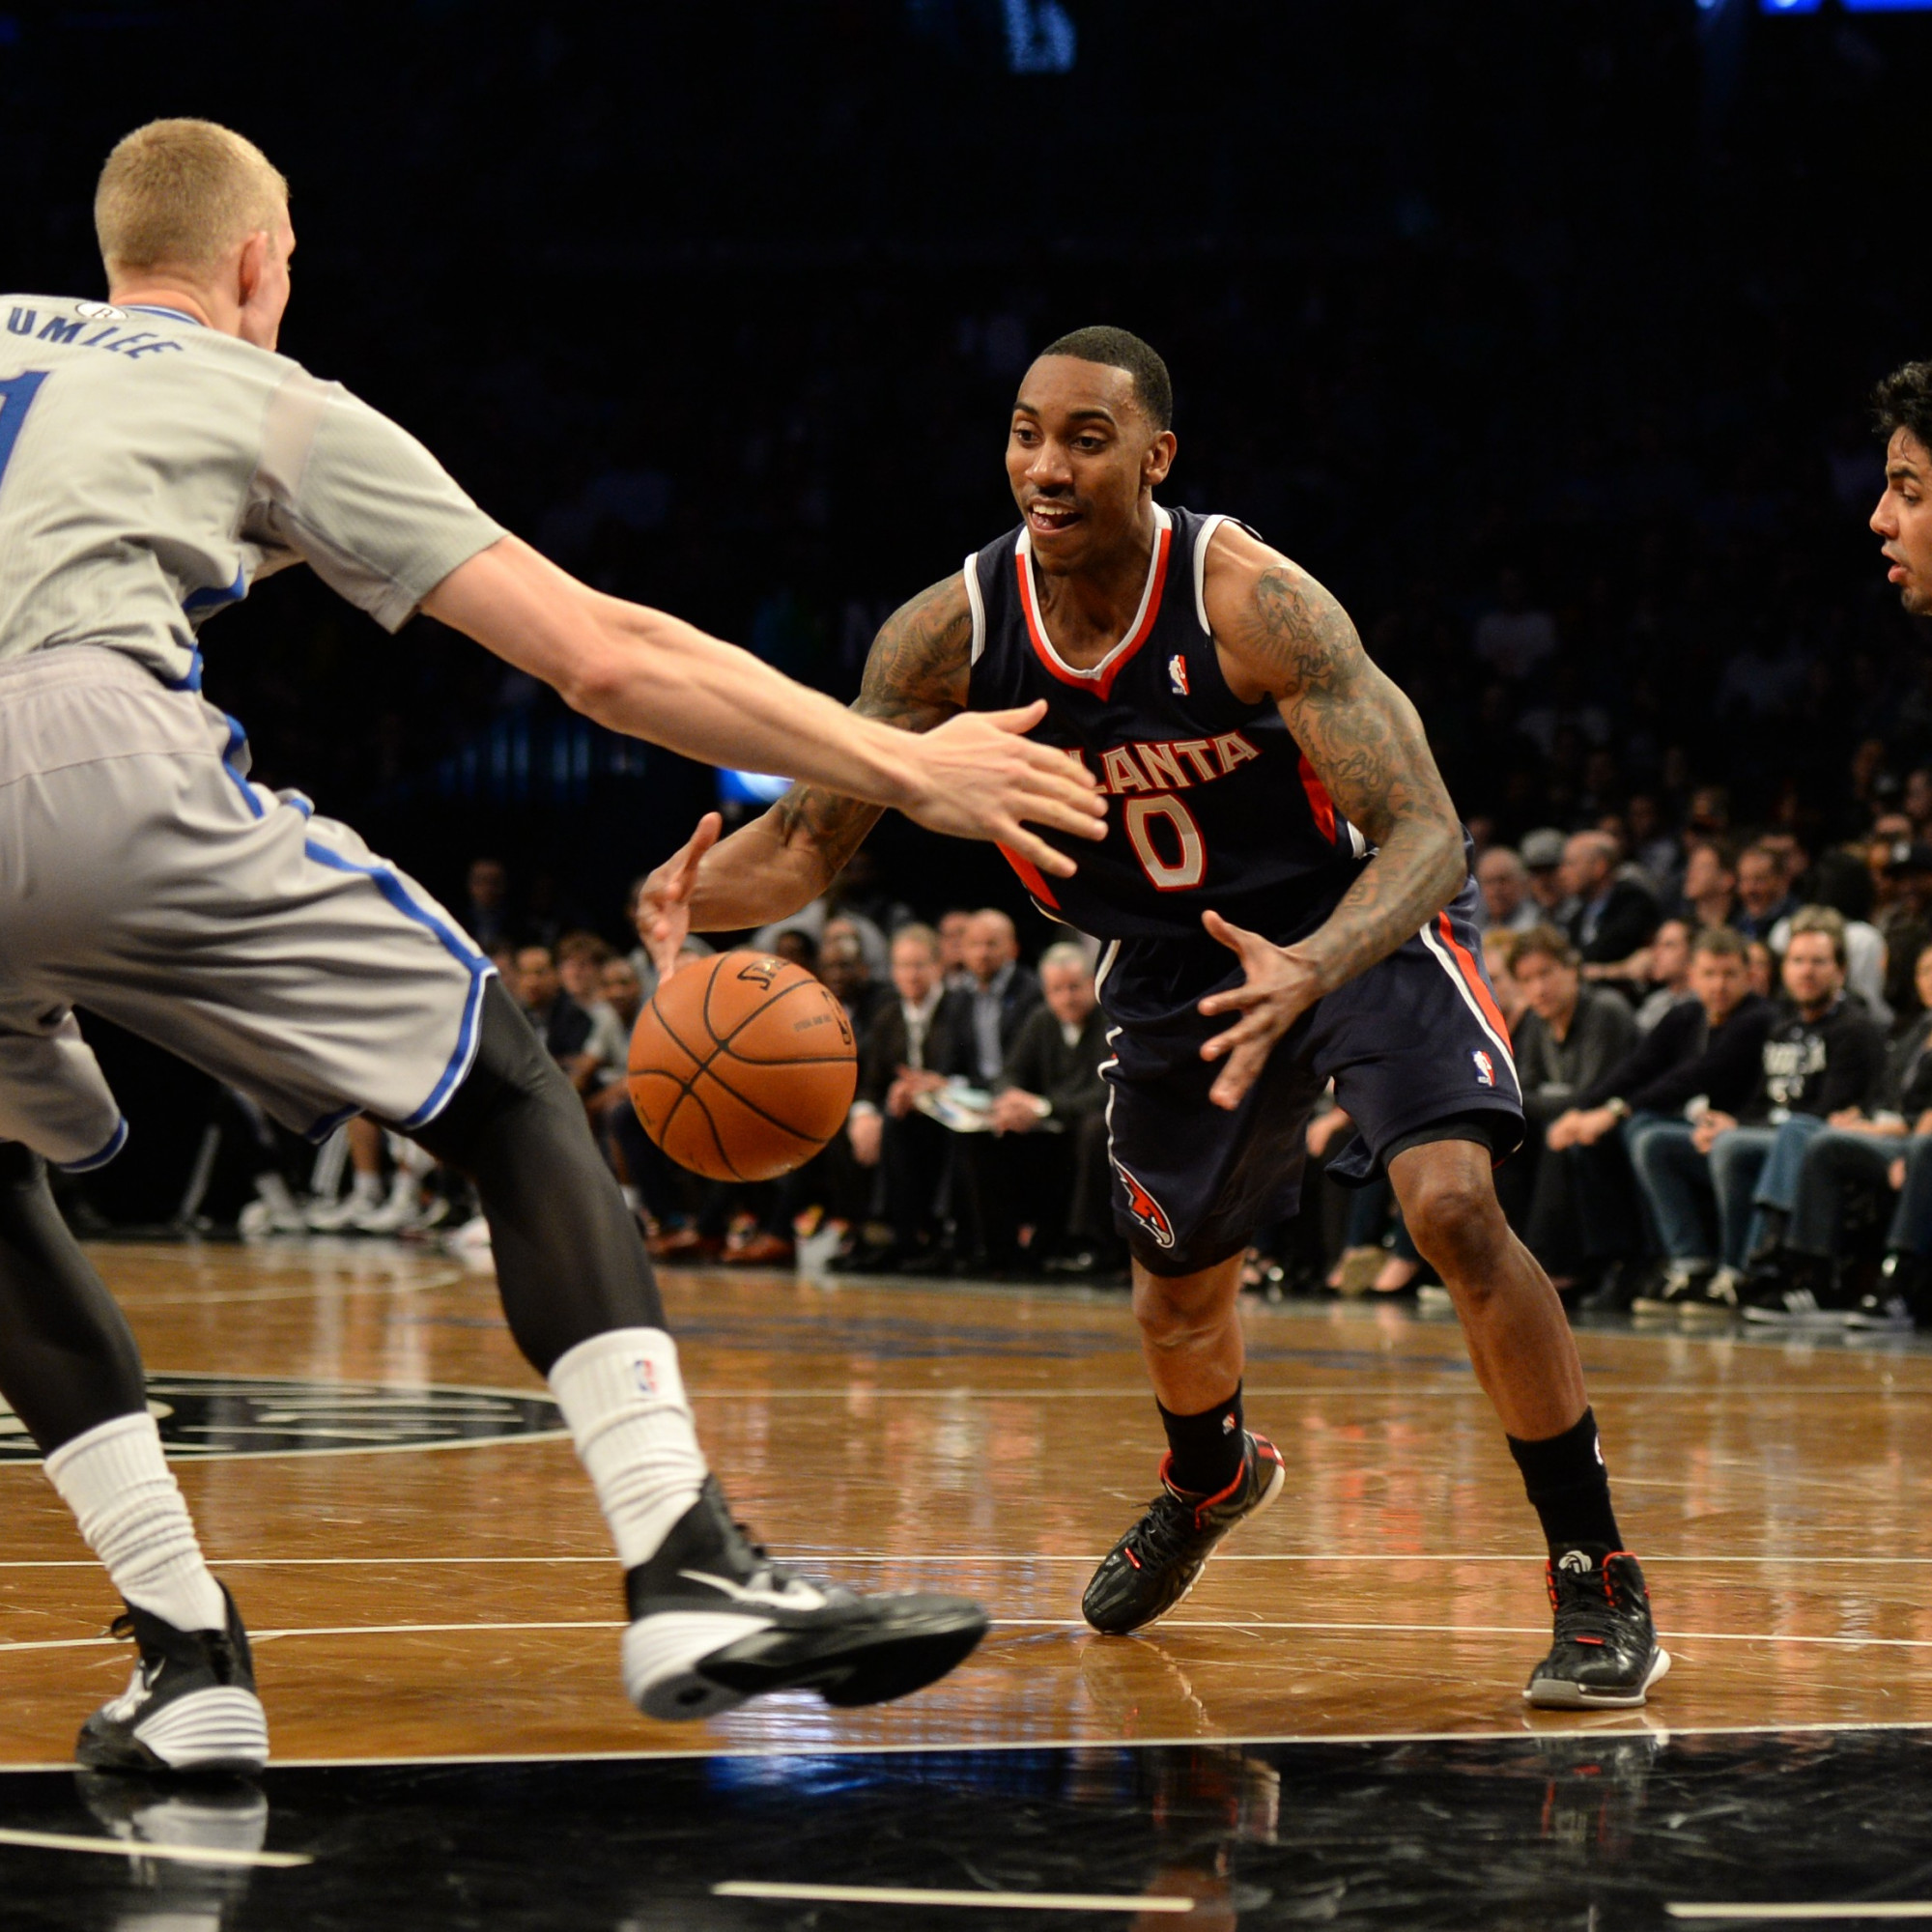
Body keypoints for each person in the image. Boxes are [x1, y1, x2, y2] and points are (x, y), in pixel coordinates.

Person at [0, 119, 1107, 1772]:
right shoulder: (263, 392)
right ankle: (686, 1563)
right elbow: (602, 655)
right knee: (505, 1090)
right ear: (257, 265)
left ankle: (189, 1663)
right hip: (82, 736)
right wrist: (904, 763)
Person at [643, 325, 1666, 1708]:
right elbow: (811, 849)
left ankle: (1595, 1572)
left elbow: (1426, 828)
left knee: (1451, 1210)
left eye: (1084, 437)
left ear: (1155, 456)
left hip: (1353, 918)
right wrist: (685, 899)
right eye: (1024, 432)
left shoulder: (1251, 599)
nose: (1045, 465)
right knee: (1178, 1297)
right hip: (1173, 965)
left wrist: (1317, 961)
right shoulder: (947, 634)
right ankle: (1211, 1475)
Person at [1625, 912, 1885, 1319]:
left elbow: (1826, 1111)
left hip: (1807, 1139)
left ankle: (1739, 1271)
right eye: (1797, 961)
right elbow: (1763, 1100)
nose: (1807, 972)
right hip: (1764, 1132)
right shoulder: (1783, 1026)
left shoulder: (1855, 1029)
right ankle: (1690, 1263)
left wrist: (1739, 1128)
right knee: (1654, 1141)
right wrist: (1728, 1120)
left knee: (1732, 1145)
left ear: (1841, 970)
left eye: (1818, 962)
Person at [1549, 928, 1775, 1321]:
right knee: (1599, 1140)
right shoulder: (1686, 1014)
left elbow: (1695, 1076)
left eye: (1729, 974)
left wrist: (1615, 1112)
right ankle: (1643, 1262)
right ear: (1692, 976)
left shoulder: (1758, 1018)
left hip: (1735, 1131)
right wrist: (1581, 1111)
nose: (1719, 985)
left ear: (1749, 976)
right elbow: (1636, 1068)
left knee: (1644, 1134)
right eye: (1709, 974)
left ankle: (1700, 1264)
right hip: (1695, 1132)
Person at [1747, 941, 1932, 1330]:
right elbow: (1887, 1098)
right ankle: (1814, 1279)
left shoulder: (1863, 1027)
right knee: (1827, 1143)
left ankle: (1896, 1284)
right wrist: (1862, 1119)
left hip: (1916, 1143)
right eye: (1925, 971)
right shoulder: (1914, 1032)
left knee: (1922, 1149)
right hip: (1896, 1135)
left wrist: (1891, 1134)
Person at [1504, 927, 1639, 1302]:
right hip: (1565, 1122)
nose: (1539, 988)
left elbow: (1593, 1093)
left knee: (1559, 1138)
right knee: (1504, 1141)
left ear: (1572, 969)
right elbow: (1518, 1092)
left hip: (1618, 1118)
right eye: (1527, 980)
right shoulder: (1534, 1023)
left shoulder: (1605, 1011)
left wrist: (1547, 1103)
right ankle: (1504, 1263)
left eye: (1546, 973)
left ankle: (1551, 1269)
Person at [982, 940, 1117, 1276]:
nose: (1066, 997)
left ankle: (1086, 1242)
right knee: (992, 1130)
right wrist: (1009, 1098)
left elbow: (1106, 1091)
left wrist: (1043, 1106)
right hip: (1051, 1126)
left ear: (1091, 983)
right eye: (1057, 989)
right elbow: (1009, 1072)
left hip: (1087, 1125)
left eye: (1074, 987)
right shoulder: (1042, 1020)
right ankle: (997, 1243)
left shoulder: (1110, 1020)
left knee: (1095, 1129)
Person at [843, 923, 965, 1272]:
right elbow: (871, 1083)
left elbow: (977, 1070)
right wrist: (863, 1116)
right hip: (901, 1114)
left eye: (918, 965)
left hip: (949, 1116)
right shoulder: (888, 1017)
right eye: (902, 966)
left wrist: (938, 1085)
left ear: (937, 966)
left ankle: (916, 1238)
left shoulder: (959, 1009)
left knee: (901, 1130)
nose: (910, 975)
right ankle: (867, 1233)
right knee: (855, 1130)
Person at [1558, 832, 1659, 969]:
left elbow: (1610, 949)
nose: (1562, 873)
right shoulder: (1576, 917)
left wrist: (1571, 963)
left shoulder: (1632, 903)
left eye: (1570, 864)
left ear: (1599, 867)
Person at [1473, 846, 1540, 935]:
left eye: (1503, 880)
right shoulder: (1472, 925)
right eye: (1489, 882)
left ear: (1522, 883)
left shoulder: (1536, 923)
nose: (1496, 889)